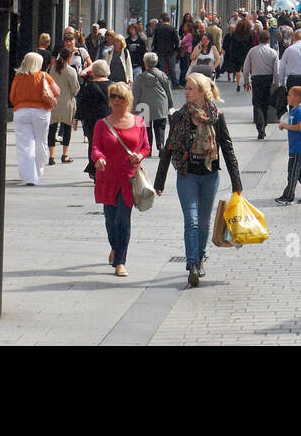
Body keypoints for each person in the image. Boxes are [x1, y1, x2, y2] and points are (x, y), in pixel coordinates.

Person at [154, 73, 242, 287]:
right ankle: (192, 264)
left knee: (204, 222)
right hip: (187, 175)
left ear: (202, 92)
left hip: (210, 175)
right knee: (191, 220)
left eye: (191, 89)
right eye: (185, 88)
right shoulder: (179, 117)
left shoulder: (216, 116)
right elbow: (168, 149)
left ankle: (200, 256)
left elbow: (227, 149)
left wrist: (237, 183)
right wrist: (159, 181)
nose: (186, 92)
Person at [90, 80, 150, 277]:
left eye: (120, 97)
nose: (116, 100)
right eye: (113, 97)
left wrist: (139, 156)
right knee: (110, 220)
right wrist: (99, 158)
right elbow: (96, 147)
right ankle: (115, 247)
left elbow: (146, 147)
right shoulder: (102, 124)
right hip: (107, 178)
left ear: (128, 100)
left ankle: (120, 261)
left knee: (122, 221)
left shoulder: (139, 123)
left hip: (129, 178)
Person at [9, 52, 60, 187]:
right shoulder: (44, 75)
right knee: (41, 141)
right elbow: (57, 91)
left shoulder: (18, 77)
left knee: (25, 145)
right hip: (41, 112)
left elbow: (12, 97)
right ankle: (39, 170)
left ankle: (29, 176)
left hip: (21, 111)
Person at [275, 86, 301, 204]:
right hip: (295, 146)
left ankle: (288, 196)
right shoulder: (293, 110)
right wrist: (284, 123)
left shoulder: (300, 110)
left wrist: (286, 126)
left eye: (290, 95)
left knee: (292, 171)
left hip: (299, 147)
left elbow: (300, 126)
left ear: (297, 98)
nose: (287, 97)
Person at [76, 59, 112, 179]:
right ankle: (106, 168)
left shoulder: (88, 86)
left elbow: (82, 104)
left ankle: (94, 168)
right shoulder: (114, 85)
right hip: (110, 118)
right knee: (109, 143)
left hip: (92, 120)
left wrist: (77, 118)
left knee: (93, 144)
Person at [132, 52, 174, 155]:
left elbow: (136, 93)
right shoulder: (162, 75)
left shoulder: (140, 77)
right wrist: (171, 105)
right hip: (160, 104)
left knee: (145, 127)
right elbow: (168, 91)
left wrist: (134, 108)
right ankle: (161, 147)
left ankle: (147, 149)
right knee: (160, 126)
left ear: (145, 63)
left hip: (143, 106)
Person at [46, 45, 80, 166]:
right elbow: (75, 89)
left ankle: (51, 156)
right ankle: (64, 154)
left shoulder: (52, 68)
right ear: (70, 58)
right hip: (67, 102)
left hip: (53, 102)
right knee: (66, 128)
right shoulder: (71, 71)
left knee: (52, 128)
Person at [151, 13, 180, 82]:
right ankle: (174, 83)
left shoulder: (158, 29)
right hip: (170, 51)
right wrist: (176, 49)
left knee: (162, 68)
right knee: (172, 68)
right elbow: (176, 40)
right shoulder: (172, 29)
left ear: (162, 21)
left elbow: (155, 40)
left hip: (160, 51)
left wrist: (155, 49)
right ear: (169, 21)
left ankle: (162, 82)